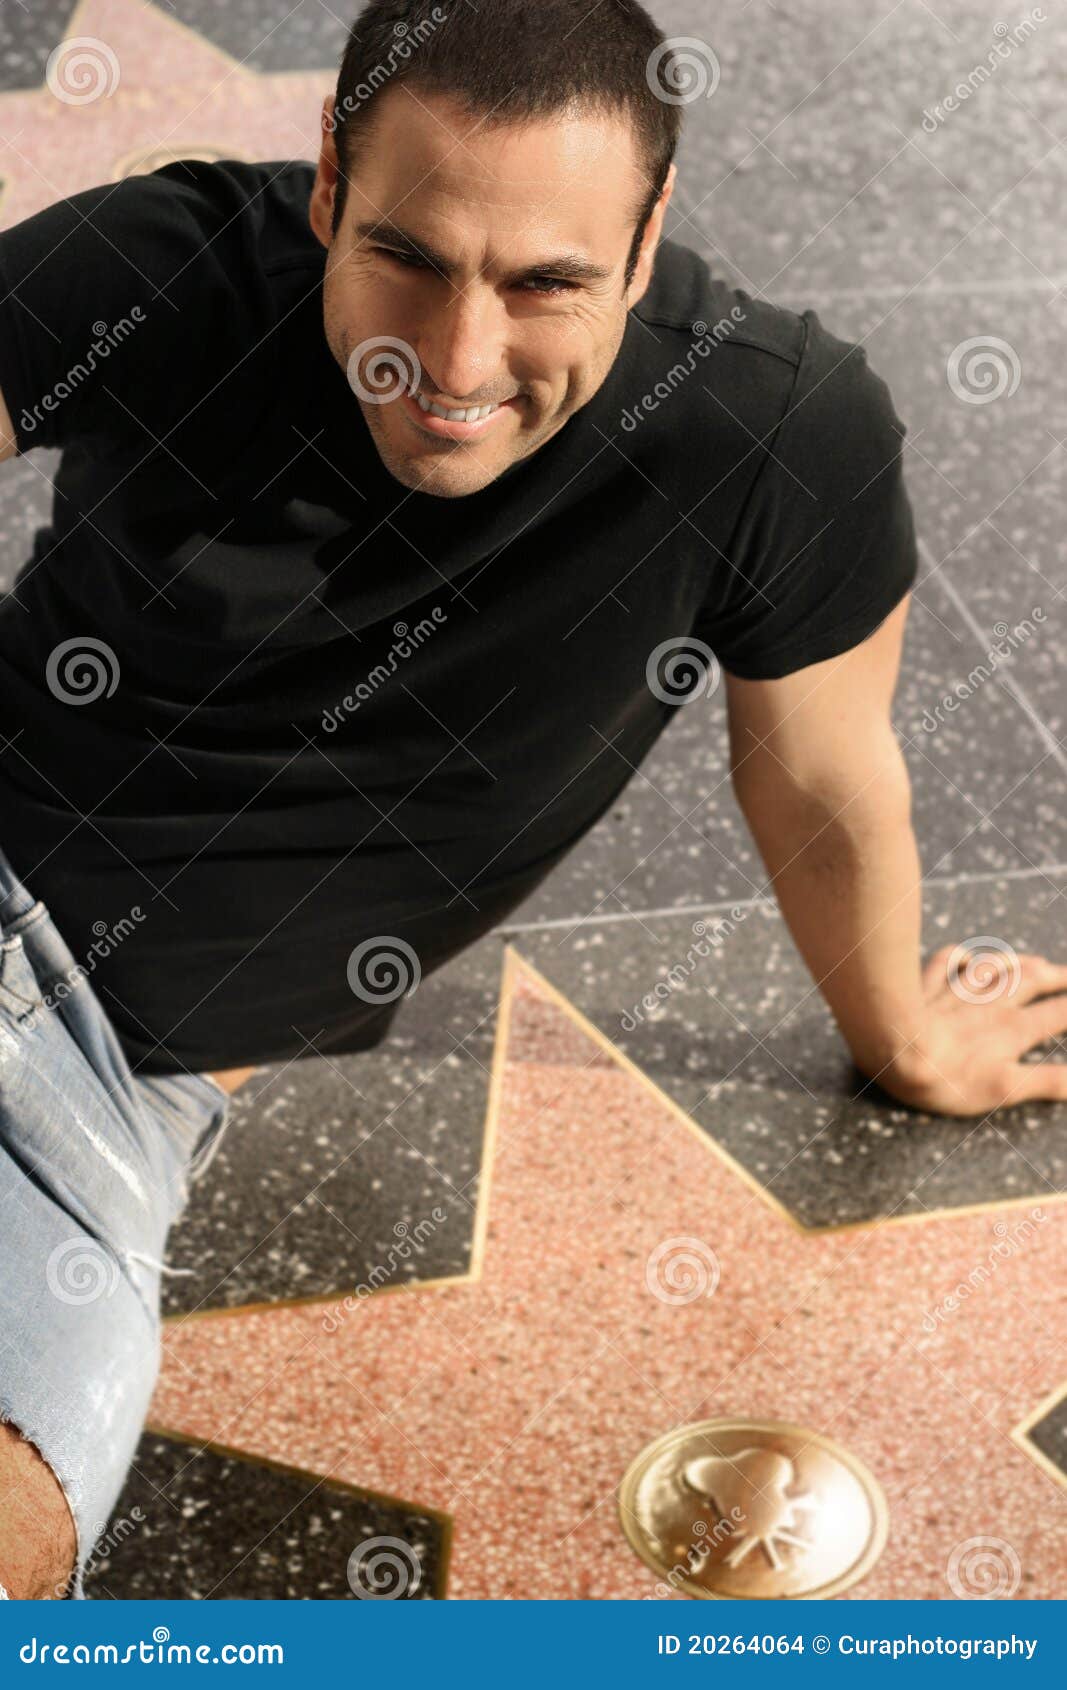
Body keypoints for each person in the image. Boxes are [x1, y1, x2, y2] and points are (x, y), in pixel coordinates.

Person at [1, 0, 1065, 1601]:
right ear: (328, 185)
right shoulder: (175, 263)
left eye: (544, 284)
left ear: (646, 239)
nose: (455, 361)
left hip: (100, 1082)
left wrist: (902, 1036)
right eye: (407, 256)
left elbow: (823, 772)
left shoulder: (775, 434)